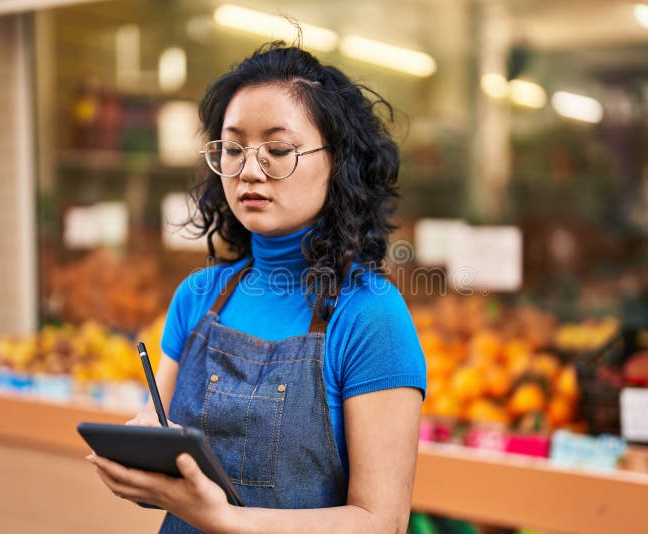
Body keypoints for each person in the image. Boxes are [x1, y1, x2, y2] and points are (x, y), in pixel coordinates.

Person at [86, 41, 427, 533]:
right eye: (233, 148)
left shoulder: (369, 316)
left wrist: (224, 519)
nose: (249, 170)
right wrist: (140, 464)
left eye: (278, 150)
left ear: (339, 162)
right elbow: (160, 442)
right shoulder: (197, 298)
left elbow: (381, 522)